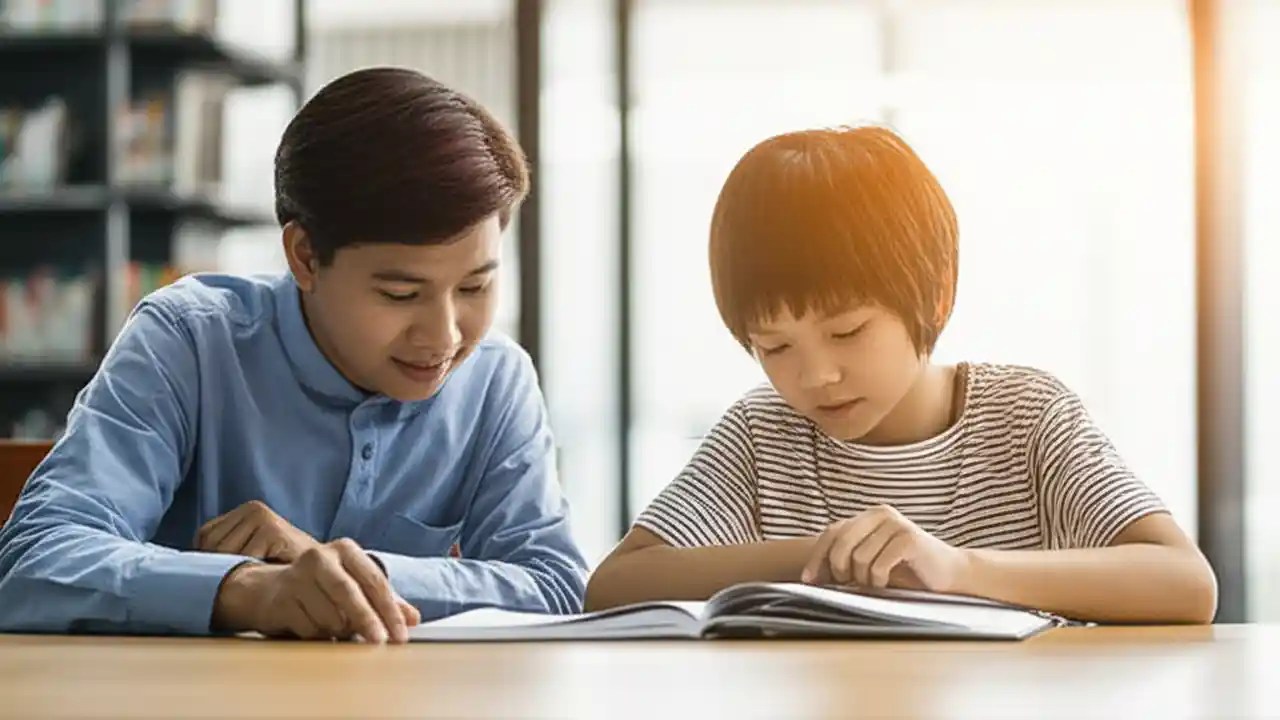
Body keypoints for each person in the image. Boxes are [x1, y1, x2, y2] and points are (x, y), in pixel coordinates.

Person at [0, 68, 587, 642]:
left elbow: (557, 586)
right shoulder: (189, 342)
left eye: (474, 288)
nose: (444, 336)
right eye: (400, 294)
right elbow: (36, 557)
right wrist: (249, 589)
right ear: (304, 256)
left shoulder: (495, 380)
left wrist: (355, 575)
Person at [586, 126, 1217, 624]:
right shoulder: (764, 433)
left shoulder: (1026, 414)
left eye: (847, 332)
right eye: (774, 347)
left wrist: (957, 569)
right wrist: (821, 556)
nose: (817, 376)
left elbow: (1185, 583)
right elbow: (614, 585)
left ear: (936, 296)